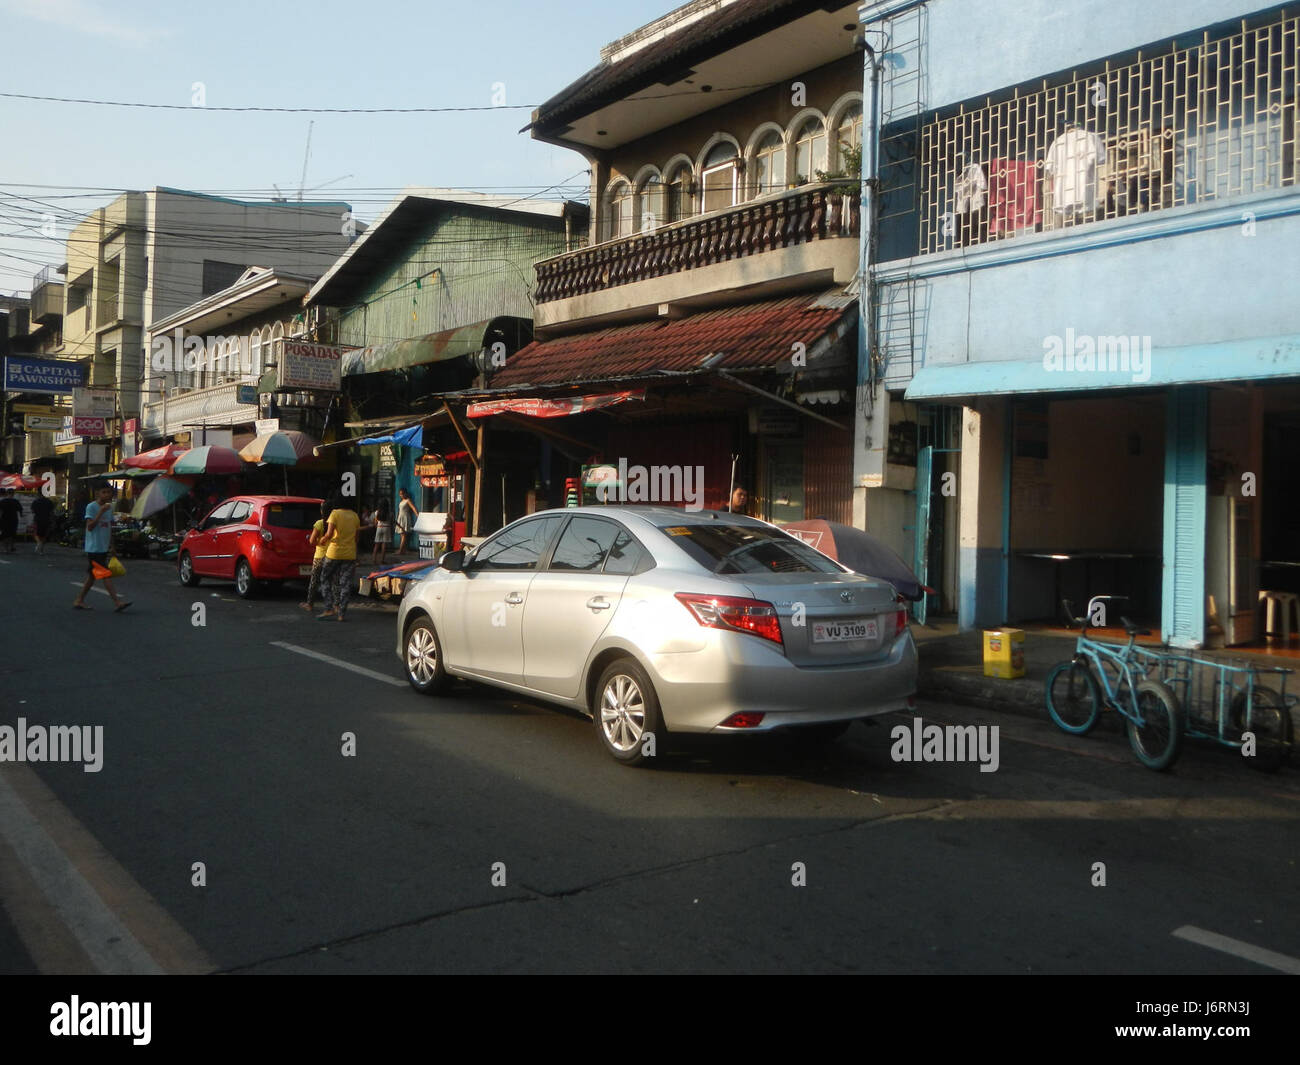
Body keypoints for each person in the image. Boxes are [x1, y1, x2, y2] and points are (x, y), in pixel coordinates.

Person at [72, 485, 130, 612]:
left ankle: (79, 600)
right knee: (105, 574)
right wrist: (100, 512)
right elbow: (90, 527)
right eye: (104, 492)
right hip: (94, 548)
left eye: (109, 492)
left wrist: (112, 546)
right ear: (97, 493)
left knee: (92, 577)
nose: (107, 495)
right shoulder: (92, 507)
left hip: (103, 547)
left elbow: (109, 528)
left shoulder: (109, 508)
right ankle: (117, 602)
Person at [317, 496, 361, 622]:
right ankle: (341, 613)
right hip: (350, 554)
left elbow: (329, 534)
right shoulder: (355, 516)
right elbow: (357, 538)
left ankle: (328, 607)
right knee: (345, 584)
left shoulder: (334, 514)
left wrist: (322, 540)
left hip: (334, 553)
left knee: (324, 578)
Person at [300, 500, 331, 613]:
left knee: (314, 581)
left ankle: (310, 604)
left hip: (319, 556)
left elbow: (312, 541)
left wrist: (319, 542)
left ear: (321, 511)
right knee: (330, 582)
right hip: (331, 555)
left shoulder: (319, 524)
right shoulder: (333, 524)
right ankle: (333, 606)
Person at [395, 487, 418, 555]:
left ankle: (400, 550)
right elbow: (399, 511)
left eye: (402, 494)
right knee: (402, 534)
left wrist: (418, 515)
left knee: (403, 535)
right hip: (400, 518)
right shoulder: (401, 501)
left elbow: (413, 508)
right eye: (400, 494)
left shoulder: (408, 500)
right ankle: (403, 550)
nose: (401, 495)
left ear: (405, 494)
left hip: (405, 518)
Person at [372, 499, 393, 565]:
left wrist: (377, 527)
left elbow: (375, 522)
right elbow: (391, 521)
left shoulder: (377, 512)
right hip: (386, 528)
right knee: (384, 545)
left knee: (376, 544)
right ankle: (382, 560)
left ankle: (374, 559)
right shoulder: (390, 513)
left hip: (379, 527)